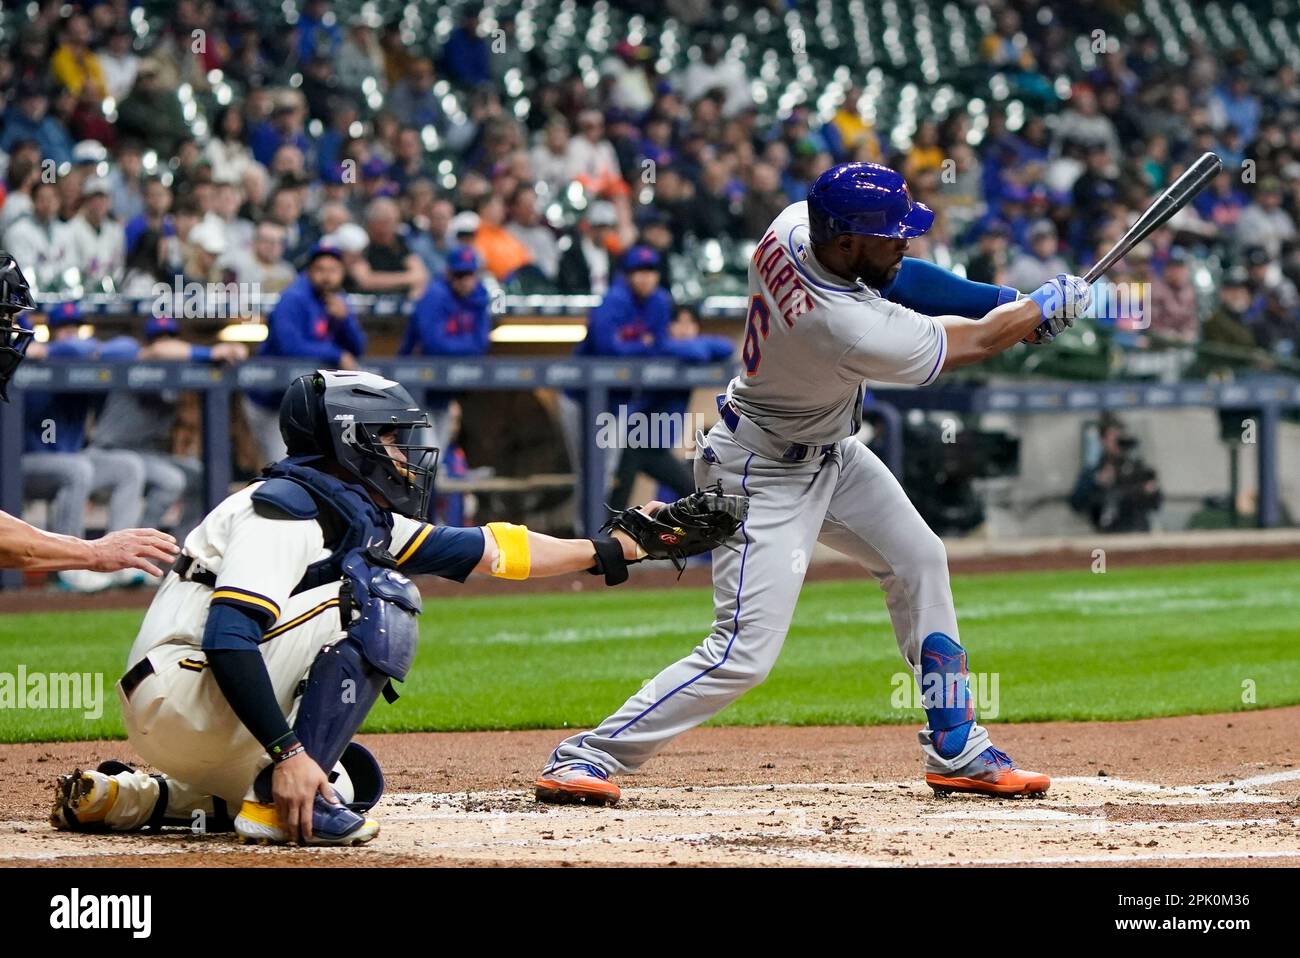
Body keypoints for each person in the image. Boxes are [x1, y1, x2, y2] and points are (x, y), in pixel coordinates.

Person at [534, 162, 1087, 805]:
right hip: (760, 473)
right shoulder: (841, 324)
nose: (903, 241)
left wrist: (1009, 303)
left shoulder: (794, 226)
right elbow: (974, 344)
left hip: (830, 453)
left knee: (919, 559)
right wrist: (1033, 313)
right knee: (744, 654)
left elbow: (907, 277)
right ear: (847, 241)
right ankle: (587, 754)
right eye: (889, 234)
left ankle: (957, 747)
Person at [48, 369, 663, 846]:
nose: (403, 454)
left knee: (346, 780)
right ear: (350, 441)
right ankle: (289, 791)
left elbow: (489, 549)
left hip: (193, 715)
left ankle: (143, 798)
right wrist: (290, 754)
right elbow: (228, 637)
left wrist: (616, 548)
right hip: (184, 687)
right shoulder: (282, 507)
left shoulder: (342, 508)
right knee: (384, 596)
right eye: (389, 439)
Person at [0, 253, 177, 576]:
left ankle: (128, 559)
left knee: (127, 468)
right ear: (50, 332)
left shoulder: (84, 358)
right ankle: (72, 571)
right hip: (26, 463)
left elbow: (125, 348)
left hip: (65, 460)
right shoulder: (42, 361)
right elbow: (74, 350)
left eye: (75, 328)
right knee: (77, 468)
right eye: (62, 328)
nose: (70, 334)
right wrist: (79, 348)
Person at [243, 244, 367, 464]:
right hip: (271, 401)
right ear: (310, 271)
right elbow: (289, 347)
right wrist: (336, 354)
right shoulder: (293, 298)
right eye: (321, 269)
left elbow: (358, 348)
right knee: (285, 468)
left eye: (333, 270)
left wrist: (344, 320)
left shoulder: (339, 300)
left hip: (307, 405)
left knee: (319, 468)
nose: (327, 277)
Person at [398, 245, 492, 449]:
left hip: (445, 394)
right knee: (423, 460)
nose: (465, 280)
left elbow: (481, 344)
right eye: (459, 274)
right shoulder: (434, 295)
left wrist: (461, 348)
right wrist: (466, 348)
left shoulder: (479, 296)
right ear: (449, 273)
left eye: (469, 274)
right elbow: (433, 344)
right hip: (416, 390)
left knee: (435, 459)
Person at [1070, 415, 1163, 533]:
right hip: (1108, 535)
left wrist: (1149, 491)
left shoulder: (1138, 469)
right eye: (1113, 436)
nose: (1118, 440)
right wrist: (1096, 482)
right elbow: (1076, 504)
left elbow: (1156, 504)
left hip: (1138, 532)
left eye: (1120, 436)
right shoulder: (1093, 471)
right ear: (1102, 440)